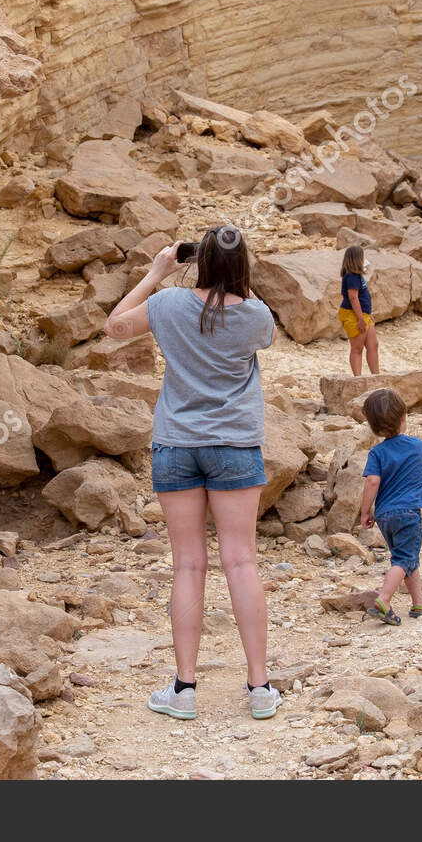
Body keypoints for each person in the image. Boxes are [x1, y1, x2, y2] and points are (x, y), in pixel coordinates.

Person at [103, 227, 280, 721]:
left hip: (177, 444)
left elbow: (114, 326)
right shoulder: (256, 316)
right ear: (242, 266)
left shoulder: (169, 304)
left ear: (196, 261)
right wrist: (235, 278)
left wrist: (157, 271)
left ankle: (184, 689)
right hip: (235, 444)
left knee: (187, 565)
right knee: (241, 561)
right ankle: (259, 686)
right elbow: (254, 321)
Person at [356, 389, 422, 625]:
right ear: (404, 417)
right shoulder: (417, 446)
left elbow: (372, 481)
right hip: (409, 513)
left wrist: (365, 511)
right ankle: (384, 599)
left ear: (372, 426)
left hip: (385, 516)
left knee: (406, 557)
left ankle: (419, 603)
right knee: (404, 558)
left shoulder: (377, 452)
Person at [338, 245, 380, 376]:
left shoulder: (357, 276)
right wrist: (361, 319)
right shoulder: (351, 277)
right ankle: (358, 379)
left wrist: (368, 314)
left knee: (373, 345)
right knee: (357, 348)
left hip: (363, 314)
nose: (364, 259)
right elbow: (353, 298)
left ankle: (376, 375)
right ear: (357, 259)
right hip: (353, 315)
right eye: (362, 257)